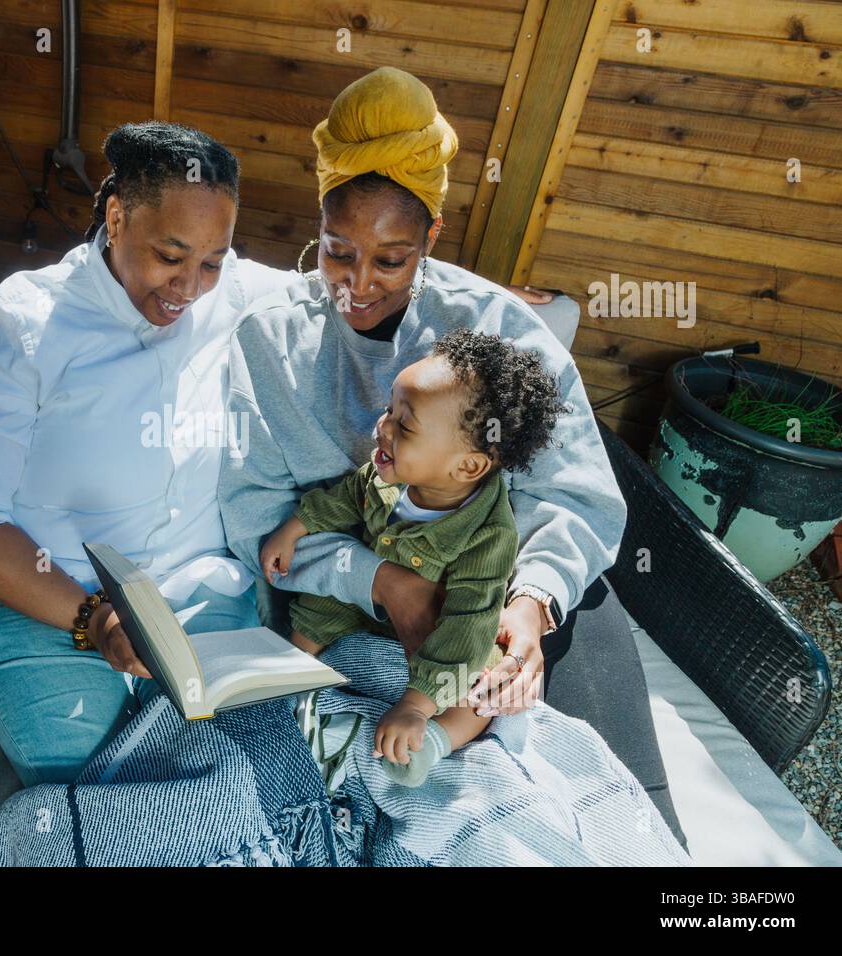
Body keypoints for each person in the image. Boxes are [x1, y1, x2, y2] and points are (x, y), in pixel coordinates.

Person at [218, 66, 683, 838]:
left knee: (617, 813)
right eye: (336, 252)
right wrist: (382, 582)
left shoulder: (498, 330)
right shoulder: (267, 344)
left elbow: (577, 498)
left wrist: (529, 609)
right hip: (339, 611)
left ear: (431, 238)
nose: (355, 285)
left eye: (390, 260)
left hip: (503, 596)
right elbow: (258, 523)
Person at [0, 122, 292, 786]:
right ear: (117, 217)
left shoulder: (240, 296)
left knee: (244, 785)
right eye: (171, 255)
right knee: (102, 799)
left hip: (202, 598)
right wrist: (94, 617)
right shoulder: (18, 326)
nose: (190, 286)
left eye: (212, 261)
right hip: (44, 604)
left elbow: (359, 292)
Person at [259, 329, 567, 787]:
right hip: (362, 602)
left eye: (404, 426)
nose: (382, 427)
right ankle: (278, 701)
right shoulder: (388, 472)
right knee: (308, 618)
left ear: (467, 466)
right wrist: (297, 526)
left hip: (443, 627)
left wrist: (416, 704)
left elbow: (467, 623)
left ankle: (438, 741)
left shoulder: (488, 536)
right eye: (388, 411)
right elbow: (348, 497)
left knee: (479, 686)